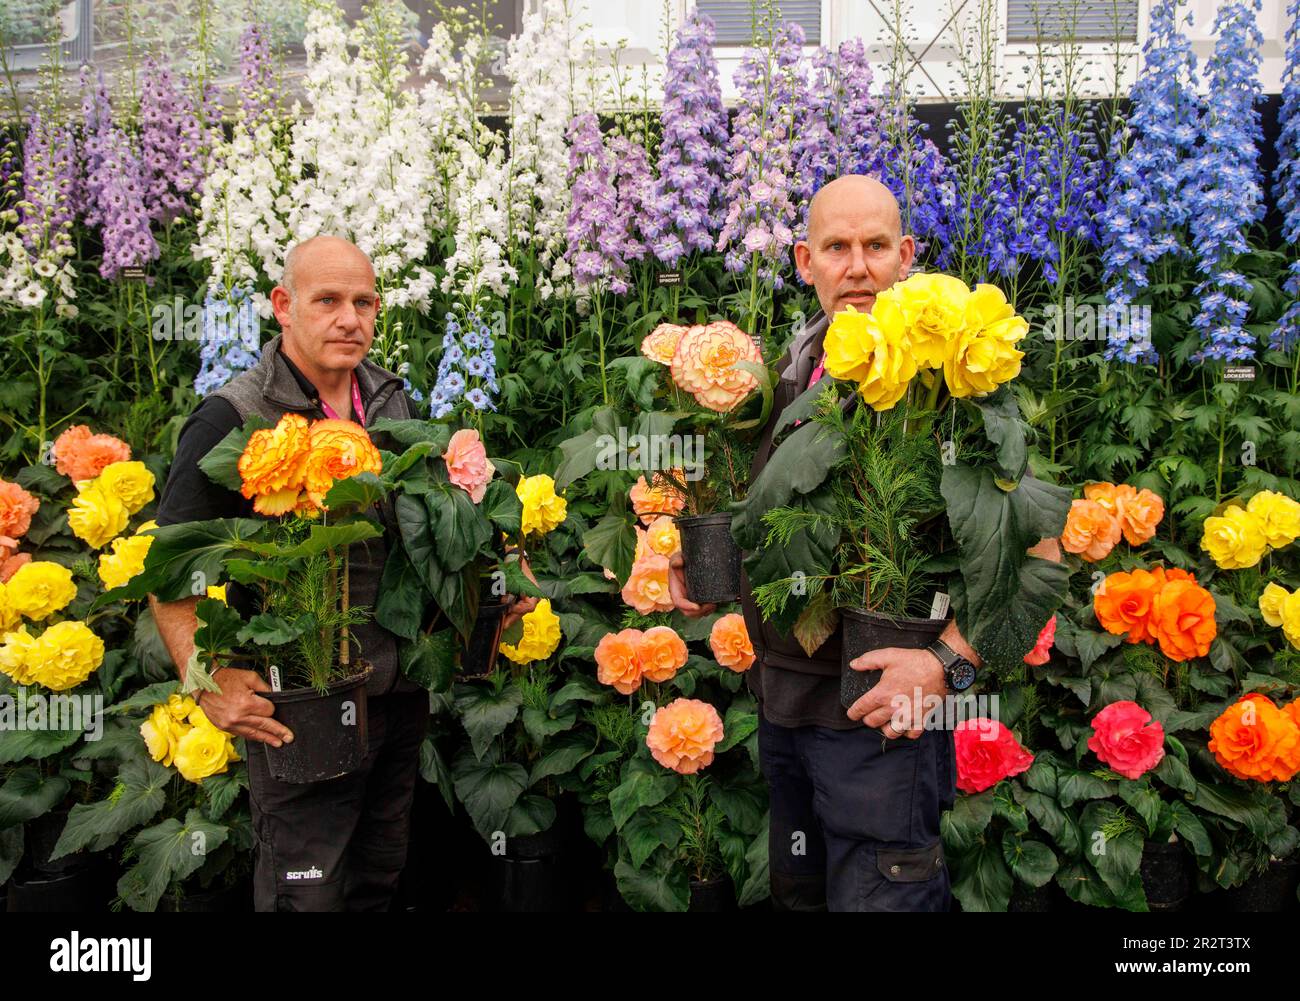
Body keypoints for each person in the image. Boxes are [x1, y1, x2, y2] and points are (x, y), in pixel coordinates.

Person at [669, 176, 1060, 912]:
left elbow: (1041, 556)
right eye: (836, 247)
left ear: (905, 255)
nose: (857, 266)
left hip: (886, 726)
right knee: (800, 893)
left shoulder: (953, 388)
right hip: (786, 708)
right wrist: (698, 553)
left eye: (876, 246)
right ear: (802, 261)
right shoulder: (790, 370)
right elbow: (767, 512)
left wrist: (950, 668)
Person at [150, 235, 534, 911]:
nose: (348, 318)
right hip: (299, 704)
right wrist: (202, 677)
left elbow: (426, 539)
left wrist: (494, 578)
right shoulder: (233, 417)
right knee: (309, 895)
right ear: (283, 306)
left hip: (395, 695)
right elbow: (169, 565)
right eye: (326, 300)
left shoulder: (392, 403)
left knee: (377, 884)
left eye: (362, 302)